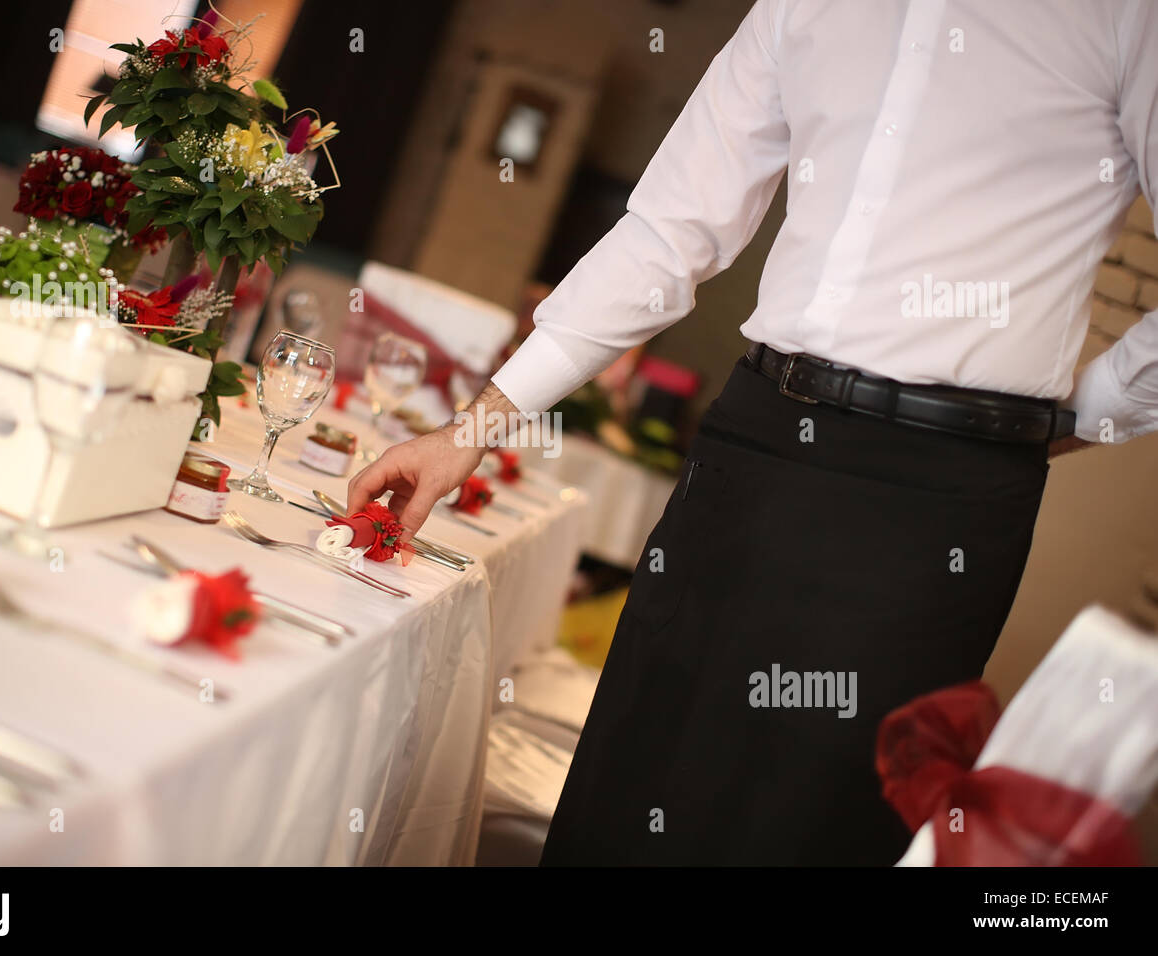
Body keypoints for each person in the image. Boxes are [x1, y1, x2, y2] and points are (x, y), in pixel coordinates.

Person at [346, 0, 1158, 865]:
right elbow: (668, 233)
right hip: (753, 441)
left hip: (935, 501)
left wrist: (1067, 418)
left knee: (804, 826)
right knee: (630, 783)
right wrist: (471, 429)